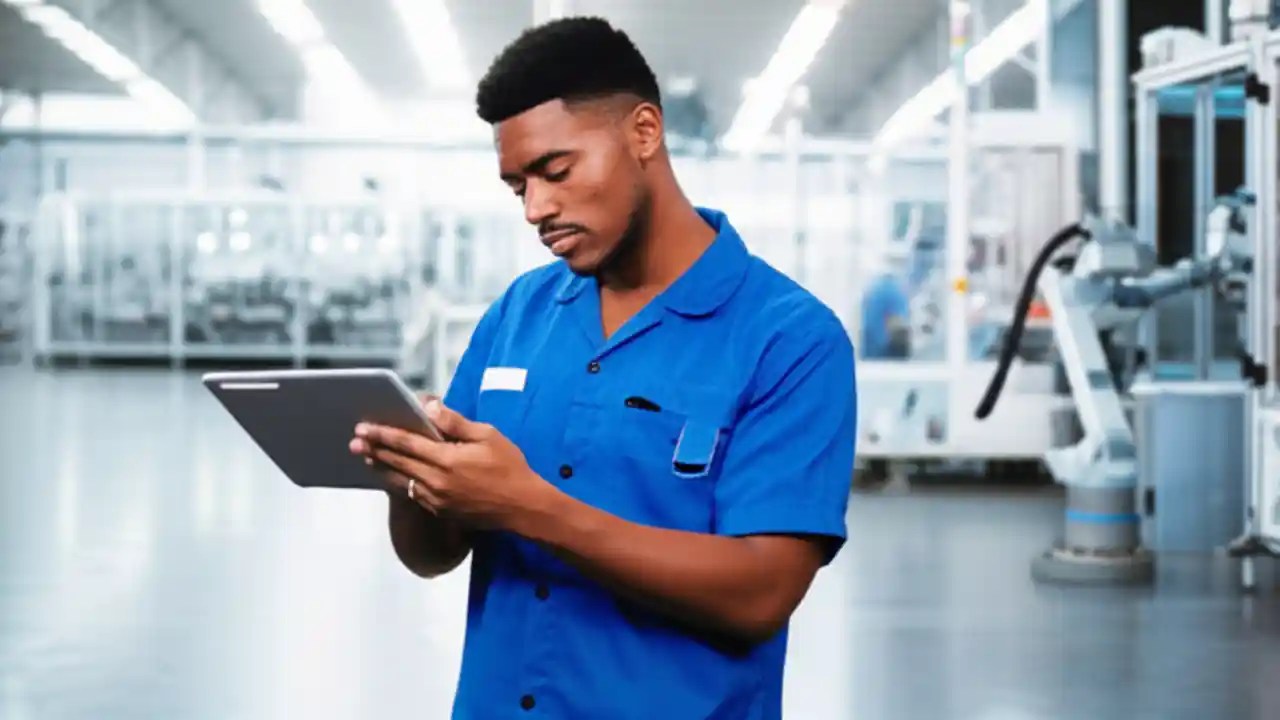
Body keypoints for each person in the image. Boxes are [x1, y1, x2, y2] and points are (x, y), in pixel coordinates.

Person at [348, 17, 856, 719]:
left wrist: (528, 507)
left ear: (644, 133)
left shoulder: (790, 341)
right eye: (516, 186)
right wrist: (409, 477)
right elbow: (434, 555)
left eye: (556, 172)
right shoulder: (519, 316)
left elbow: (761, 593)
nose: (536, 208)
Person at [859, 243, 912, 360]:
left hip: (870, 353)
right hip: (886, 355)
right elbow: (897, 325)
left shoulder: (874, 288)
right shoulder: (894, 290)